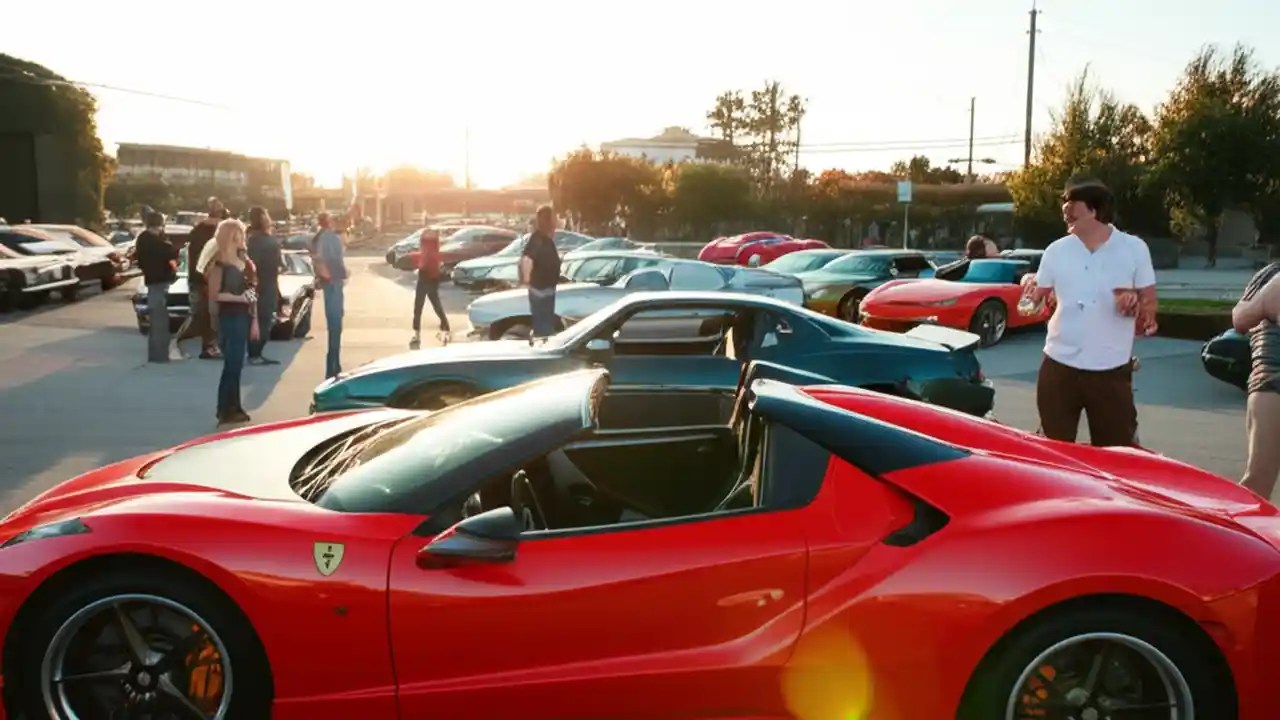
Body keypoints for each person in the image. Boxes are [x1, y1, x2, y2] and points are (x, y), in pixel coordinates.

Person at [1021, 181, 1157, 447]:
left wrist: (1137, 306)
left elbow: (1150, 304)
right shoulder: (1056, 250)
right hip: (1058, 366)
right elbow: (1032, 305)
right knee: (1054, 449)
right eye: (1064, 204)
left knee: (1116, 450)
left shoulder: (1134, 248)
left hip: (1110, 369)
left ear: (1094, 211)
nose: (1065, 210)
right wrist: (1029, 296)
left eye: (1073, 205)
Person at [1231, 260, 1280, 500]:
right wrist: (1265, 301)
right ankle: (1230, 537)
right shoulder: (1271, 274)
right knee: (1257, 482)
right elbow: (1239, 319)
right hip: (1273, 384)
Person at [204, 219, 259, 425]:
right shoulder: (220, 263)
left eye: (242, 233)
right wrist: (239, 299)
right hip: (230, 317)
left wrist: (255, 320)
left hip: (244, 316)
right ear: (230, 236)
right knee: (232, 364)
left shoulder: (244, 261)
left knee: (237, 364)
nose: (242, 237)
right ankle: (225, 409)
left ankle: (234, 407)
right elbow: (214, 295)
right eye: (238, 234)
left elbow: (252, 293)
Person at [174, 197, 227, 359]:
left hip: (199, 279)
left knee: (201, 314)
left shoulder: (198, 230)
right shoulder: (215, 233)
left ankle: (206, 345)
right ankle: (206, 345)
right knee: (208, 315)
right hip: (208, 279)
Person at [134, 210, 180, 363]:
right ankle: (160, 355)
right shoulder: (157, 242)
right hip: (160, 281)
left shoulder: (142, 239)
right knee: (160, 321)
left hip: (151, 281)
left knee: (155, 321)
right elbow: (171, 252)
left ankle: (155, 354)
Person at [245, 206, 284, 365]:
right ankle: (255, 354)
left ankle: (253, 353)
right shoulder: (268, 242)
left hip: (253, 286)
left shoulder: (248, 240)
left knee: (253, 321)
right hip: (266, 286)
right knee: (264, 321)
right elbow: (277, 265)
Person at [311, 212, 347, 378]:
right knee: (335, 325)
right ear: (330, 222)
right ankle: (333, 368)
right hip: (333, 282)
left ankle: (334, 365)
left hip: (330, 282)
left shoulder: (321, 237)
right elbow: (328, 260)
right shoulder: (329, 238)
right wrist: (335, 275)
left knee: (334, 325)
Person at [519, 205, 560, 339]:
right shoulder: (537, 238)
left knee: (545, 324)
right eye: (554, 218)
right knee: (543, 326)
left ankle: (543, 342)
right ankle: (541, 347)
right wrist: (527, 280)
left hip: (546, 289)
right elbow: (527, 259)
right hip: (540, 290)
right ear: (547, 220)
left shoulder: (545, 239)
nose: (556, 221)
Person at [410, 228, 449, 348]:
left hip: (425, 276)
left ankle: (416, 332)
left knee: (419, 306)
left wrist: (420, 267)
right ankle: (445, 326)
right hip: (433, 277)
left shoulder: (427, 251)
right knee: (435, 303)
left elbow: (424, 260)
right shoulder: (434, 251)